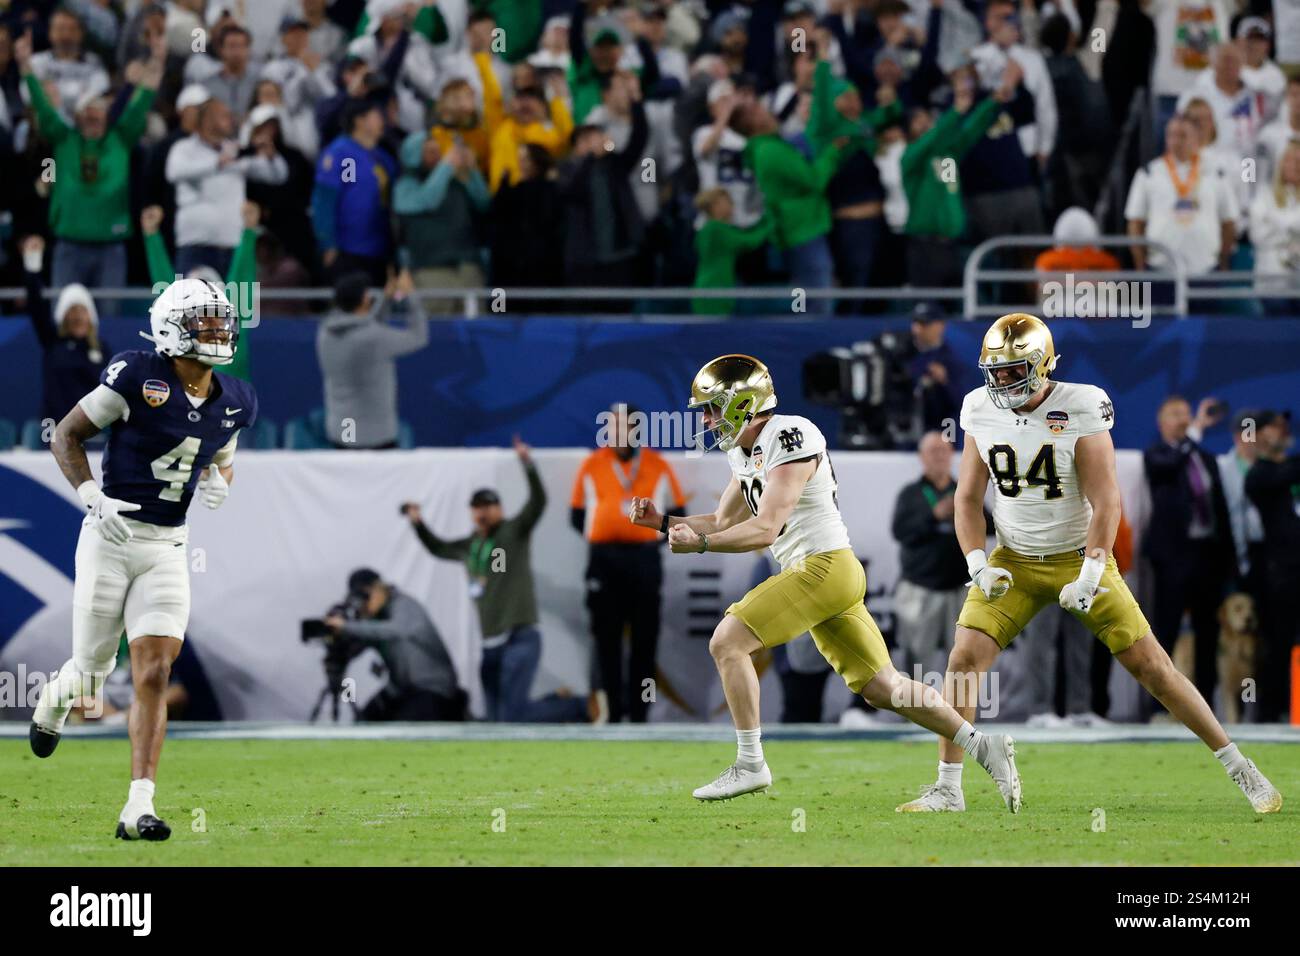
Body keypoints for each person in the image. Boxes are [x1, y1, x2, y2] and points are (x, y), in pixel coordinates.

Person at [896, 313, 1279, 814]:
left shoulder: (1080, 403)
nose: (1003, 380)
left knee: (1154, 668)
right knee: (962, 662)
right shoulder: (977, 407)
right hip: (1012, 559)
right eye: (996, 369)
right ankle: (949, 786)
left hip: (1078, 558)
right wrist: (976, 562)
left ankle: (1239, 766)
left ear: (1043, 364)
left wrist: (1094, 571)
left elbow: (1107, 500)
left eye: (1015, 369)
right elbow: (968, 498)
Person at [630, 354, 1021, 804]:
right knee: (884, 688)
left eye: (712, 407)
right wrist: (663, 522)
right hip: (826, 575)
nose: (706, 418)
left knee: (727, 642)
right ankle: (982, 746)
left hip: (822, 567)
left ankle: (750, 763)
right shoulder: (744, 451)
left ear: (741, 402)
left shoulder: (789, 434)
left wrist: (698, 546)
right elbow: (720, 520)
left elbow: (764, 529)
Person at [31, 278, 257, 841]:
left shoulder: (235, 397)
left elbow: (221, 457)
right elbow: (66, 435)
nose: (217, 329)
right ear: (172, 329)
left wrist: (222, 480)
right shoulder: (136, 373)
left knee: (154, 670)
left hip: (168, 547)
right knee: (92, 672)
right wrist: (89, 494)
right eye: (204, 320)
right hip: (111, 537)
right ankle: (54, 699)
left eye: (219, 320)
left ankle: (139, 805)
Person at [402, 437, 590, 723]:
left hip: (519, 636)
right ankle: (557, 701)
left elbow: (537, 502)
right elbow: (438, 548)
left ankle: (580, 707)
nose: (483, 511)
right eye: (478, 506)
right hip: (490, 644)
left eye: (489, 505)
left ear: (500, 509)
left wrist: (527, 464)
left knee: (512, 718)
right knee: (495, 722)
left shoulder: (512, 532)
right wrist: (418, 523)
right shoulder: (469, 546)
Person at [17, 28, 162, 302]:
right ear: (78, 115)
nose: (94, 114)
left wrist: (157, 59)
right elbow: (42, 105)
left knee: (108, 322)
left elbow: (143, 101)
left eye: (99, 109)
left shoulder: (121, 138)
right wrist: (25, 65)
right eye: (88, 109)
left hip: (112, 246)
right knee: (65, 316)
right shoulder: (64, 139)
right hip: (69, 245)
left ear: (107, 114)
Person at [570, 403, 686, 723]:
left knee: (644, 642)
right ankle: (612, 713)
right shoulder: (593, 464)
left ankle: (639, 715)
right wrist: (608, 536)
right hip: (604, 562)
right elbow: (576, 516)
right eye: (613, 426)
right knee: (605, 641)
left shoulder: (658, 465)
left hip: (643, 563)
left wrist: (642, 540)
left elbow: (678, 513)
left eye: (625, 426)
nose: (618, 433)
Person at [1143, 394, 1235, 706]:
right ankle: (1159, 707)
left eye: (1187, 413)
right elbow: (1169, 467)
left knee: (1207, 633)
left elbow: (1221, 511)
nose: (1184, 419)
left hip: (1207, 556)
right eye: (1176, 414)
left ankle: (1205, 705)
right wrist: (1195, 430)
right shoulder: (1156, 455)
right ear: (1161, 422)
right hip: (1173, 558)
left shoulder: (1206, 458)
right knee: (1165, 631)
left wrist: (1229, 558)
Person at [166, 97, 289, 276]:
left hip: (234, 246)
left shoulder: (234, 151)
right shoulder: (184, 148)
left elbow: (278, 175)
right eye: (223, 115)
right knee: (194, 303)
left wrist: (272, 156)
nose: (230, 119)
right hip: (196, 246)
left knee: (238, 304)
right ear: (206, 120)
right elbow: (173, 172)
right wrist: (218, 163)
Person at [325, 569, 465, 721]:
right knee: (365, 721)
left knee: (404, 728)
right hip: (401, 691)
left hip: (433, 688)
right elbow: (354, 649)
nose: (364, 603)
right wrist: (336, 640)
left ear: (379, 588)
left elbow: (396, 630)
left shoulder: (404, 605)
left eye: (366, 596)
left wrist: (347, 626)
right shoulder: (374, 621)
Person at [890, 431, 973, 678]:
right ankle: (916, 714)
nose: (939, 456)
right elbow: (900, 531)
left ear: (951, 455)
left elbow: (988, 523)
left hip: (958, 588)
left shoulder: (963, 491)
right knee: (917, 657)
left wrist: (960, 512)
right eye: (932, 451)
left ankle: (959, 713)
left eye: (943, 450)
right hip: (920, 587)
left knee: (962, 657)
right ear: (921, 457)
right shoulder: (911, 493)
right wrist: (933, 516)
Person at [316, 270, 427, 450]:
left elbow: (364, 327)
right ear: (364, 300)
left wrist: (386, 300)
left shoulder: (325, 333)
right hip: (373, 438)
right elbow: (419, 336)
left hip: (343, 431)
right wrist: (411, 295)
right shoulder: (373, 338)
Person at [1126, 114, 1238, 279]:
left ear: (1197, 139)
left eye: (1183, 136)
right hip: (1160, 269)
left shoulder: (1216, 173)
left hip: (1205, 269)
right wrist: (1140, 265)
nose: (1176, 141)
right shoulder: (1148, 173)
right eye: (1171, 135)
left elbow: (1229, 222)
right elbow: (1135, 223)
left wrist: (1223, 261)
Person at [1245, 411, 1300, 724]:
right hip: (1281, 572)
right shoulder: (1260, 475)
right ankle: (1271, 711)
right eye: (1275, 427)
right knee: (1277, 642)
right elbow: (1279, 476)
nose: (1283, 432)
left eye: (1284, 428)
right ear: (1261, 434)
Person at [20, 235, 108, 425]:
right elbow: (36, 305)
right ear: (63, 317)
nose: (77, 317)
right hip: (53, 429)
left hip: (91, 431)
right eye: (72, 311)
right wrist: (33, 263)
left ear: (91, 317)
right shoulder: (52, 341)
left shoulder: (103, 350)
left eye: (82, 310)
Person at [314, 98, 401, 286]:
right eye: (377, 116)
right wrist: (328, 242)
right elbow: (330, 198)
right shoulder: (347, 155)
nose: (382, 121)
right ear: (360, 121)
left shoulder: (382, 158)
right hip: (351, 248)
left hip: (380, 247)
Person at [691, 188, 772, 315]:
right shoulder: (716, 229)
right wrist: (770, 223)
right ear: (715, 206)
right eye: (727, 201)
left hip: (716, 286)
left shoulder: (711, 228)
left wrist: (764, 222)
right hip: (714, 289)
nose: (732, 205)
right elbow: (750, 241)